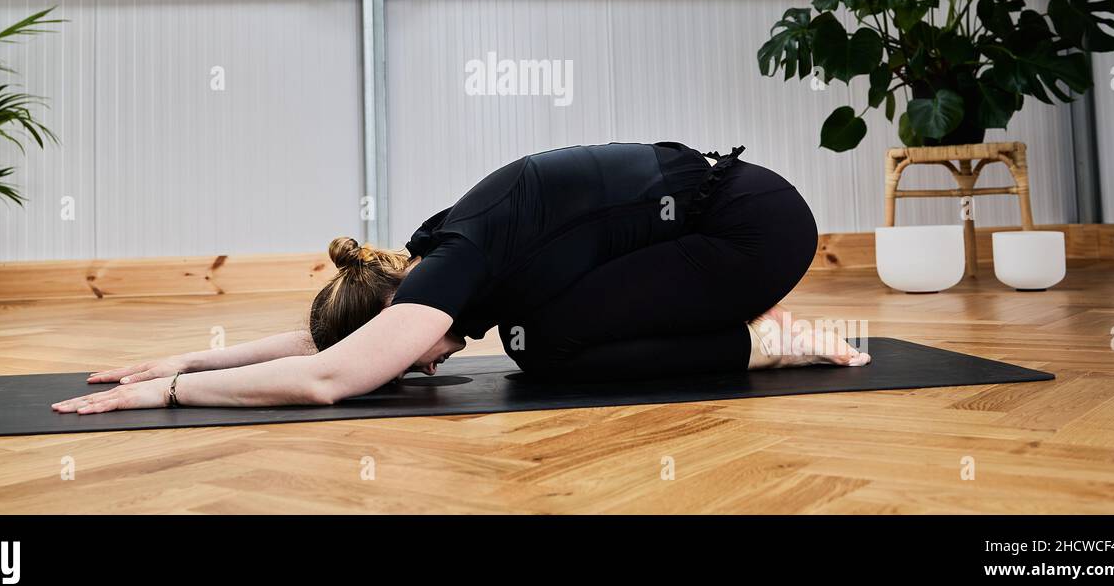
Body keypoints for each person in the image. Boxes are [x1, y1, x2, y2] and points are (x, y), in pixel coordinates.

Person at [53, 142, 868, 415]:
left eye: (414, 359)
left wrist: (171, 398)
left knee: (546, 348)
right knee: (537, 342)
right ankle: (745, 333)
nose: (431, 364)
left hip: (750, 229)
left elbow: (328, 377)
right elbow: (322, 340)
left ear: (405, 312)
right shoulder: (422, 259)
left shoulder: (452, 264)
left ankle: (762, 345)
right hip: (723, 220)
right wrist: (188, 359)